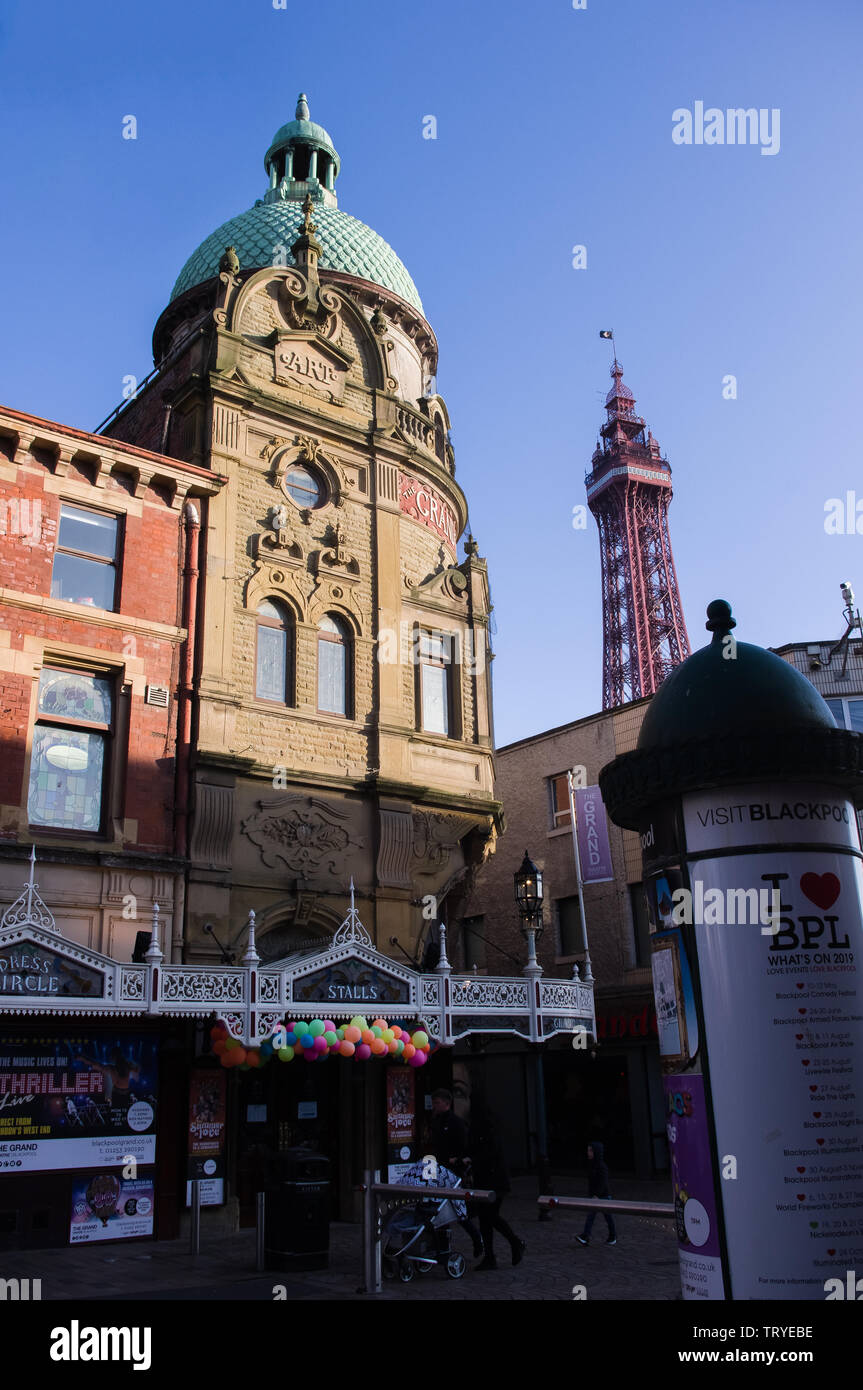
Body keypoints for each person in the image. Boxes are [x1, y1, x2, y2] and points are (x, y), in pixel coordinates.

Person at [468, 1105, 526, 1270]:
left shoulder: (486, 1133)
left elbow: (488, 1155)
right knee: (488, 1219)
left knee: (489, 1217)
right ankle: (495, 1253)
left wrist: (472, 1160)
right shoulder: (488, 1131)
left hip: (492, 1182)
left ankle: (510, 1245)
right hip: (491, 1181)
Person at [427, 1088, 483, 1258]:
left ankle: (476, 1238)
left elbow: (463, 1147)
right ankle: (442, 1246)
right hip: (439, 1168)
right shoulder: (436, 1121)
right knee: (439, 1208)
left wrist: (456, 1159)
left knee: (458, 1208)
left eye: (437, 1103)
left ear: (447, 1103)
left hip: (452, 1170)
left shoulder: (455, 1123)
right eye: (434, 1103)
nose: (434, 1106)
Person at [576, 1141, 617, 1246]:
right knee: (593, 1216)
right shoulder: (592, 1165)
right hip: (596, 1196)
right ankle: (586, 1236)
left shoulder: (601, 1166)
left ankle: (612, 1236)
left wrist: (596, 1195)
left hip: (603, 1196)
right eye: (588, 1150)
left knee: (607, 1217)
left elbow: (603, 1182)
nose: (588, 1153)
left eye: (590, 1150)